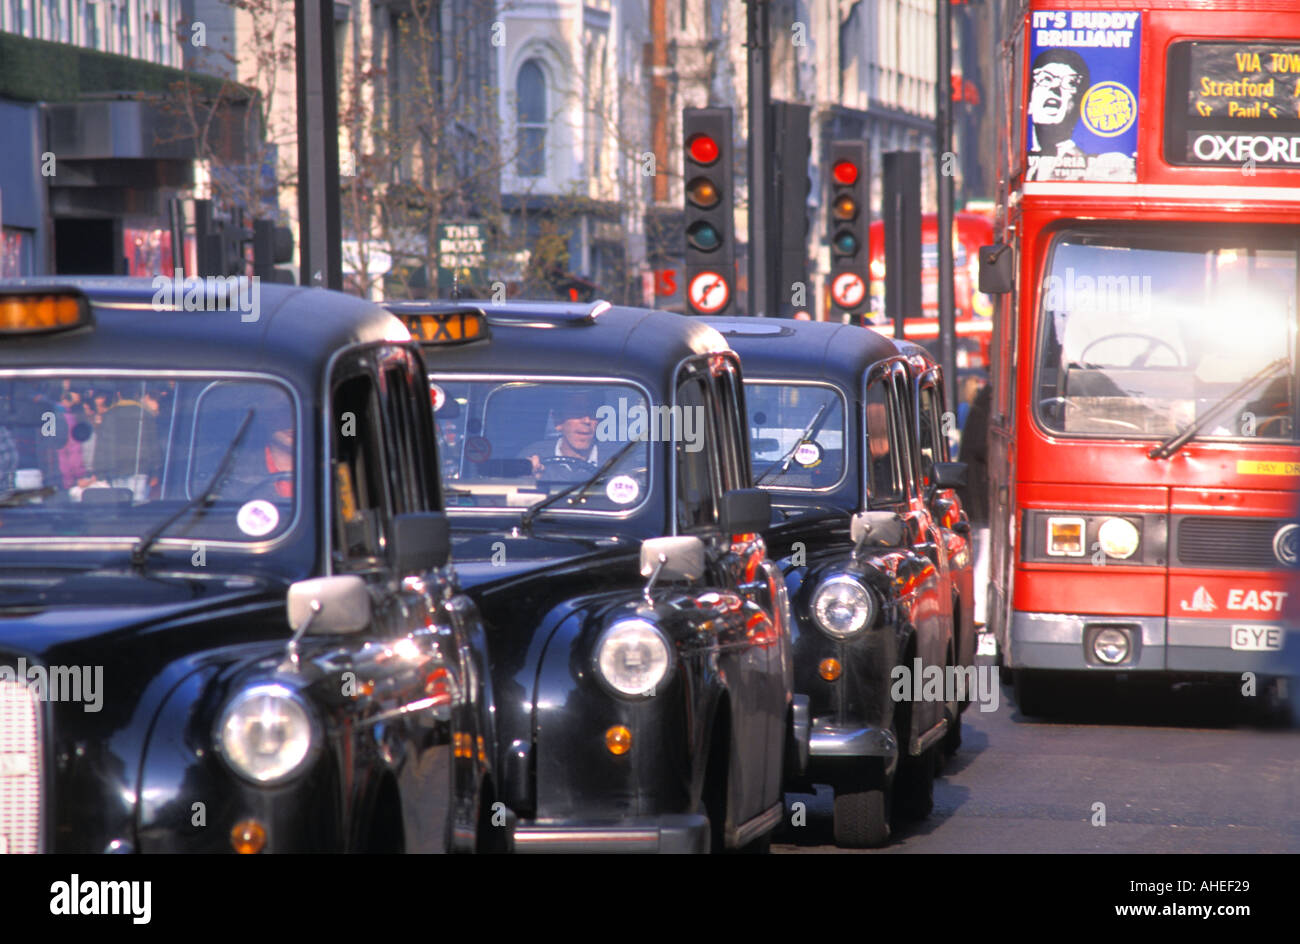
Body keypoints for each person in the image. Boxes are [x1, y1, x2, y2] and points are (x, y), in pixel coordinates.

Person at [1025, 48, 1134, 182]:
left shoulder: (1099, 167)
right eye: (1046, 79)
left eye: (1070, 83)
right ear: (1028, 102)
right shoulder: (1026, 167)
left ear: (1076, 105)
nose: (1055, 89)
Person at [520, 391, 601, 477]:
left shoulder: (614, 461)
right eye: (577, 413)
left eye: (592, 412)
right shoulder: (531, 455)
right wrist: (529, 480)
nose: (587, 421)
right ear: (557, 421)